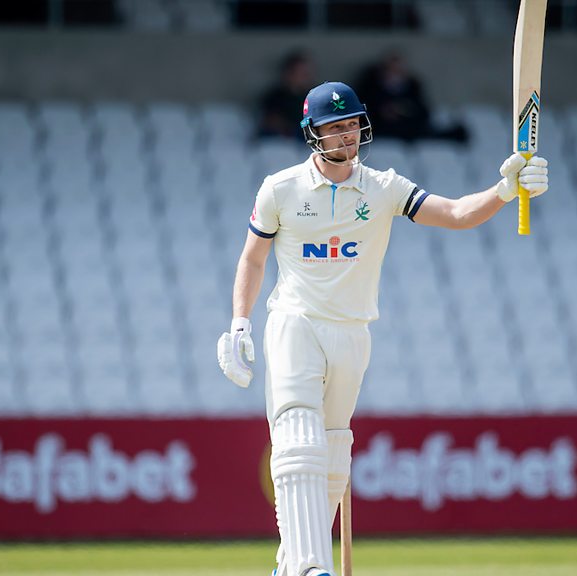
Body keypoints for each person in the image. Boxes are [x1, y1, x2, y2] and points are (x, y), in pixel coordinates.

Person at [216, 81, 548, 576]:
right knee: (299, 437)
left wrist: (505, 190)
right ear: (313, 133)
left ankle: (290, 565)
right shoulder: (279, 189)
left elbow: (456, 214)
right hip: (295, 322)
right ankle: (310, 566)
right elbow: (253, 257)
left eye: (352, 124)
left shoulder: (384, 187)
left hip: (353, 331)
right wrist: (240, 322)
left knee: (332, 452)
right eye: (336, 127)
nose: (348, 136)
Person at [354, 52, 467, 142]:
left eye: (399, 70)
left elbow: (423, 112)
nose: (395, 74)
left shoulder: (412, 87)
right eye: (392, 70)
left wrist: (406, 111)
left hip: (410, 129)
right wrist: (383, 112)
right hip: (381, 129)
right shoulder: (371, 87)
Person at [259, 50, 317, 139]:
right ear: (289, 73)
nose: (305, 77)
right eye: (301, 73)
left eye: (307, 73)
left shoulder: (313, 97)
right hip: (279, 141)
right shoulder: (275, 97)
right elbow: (271, 121)